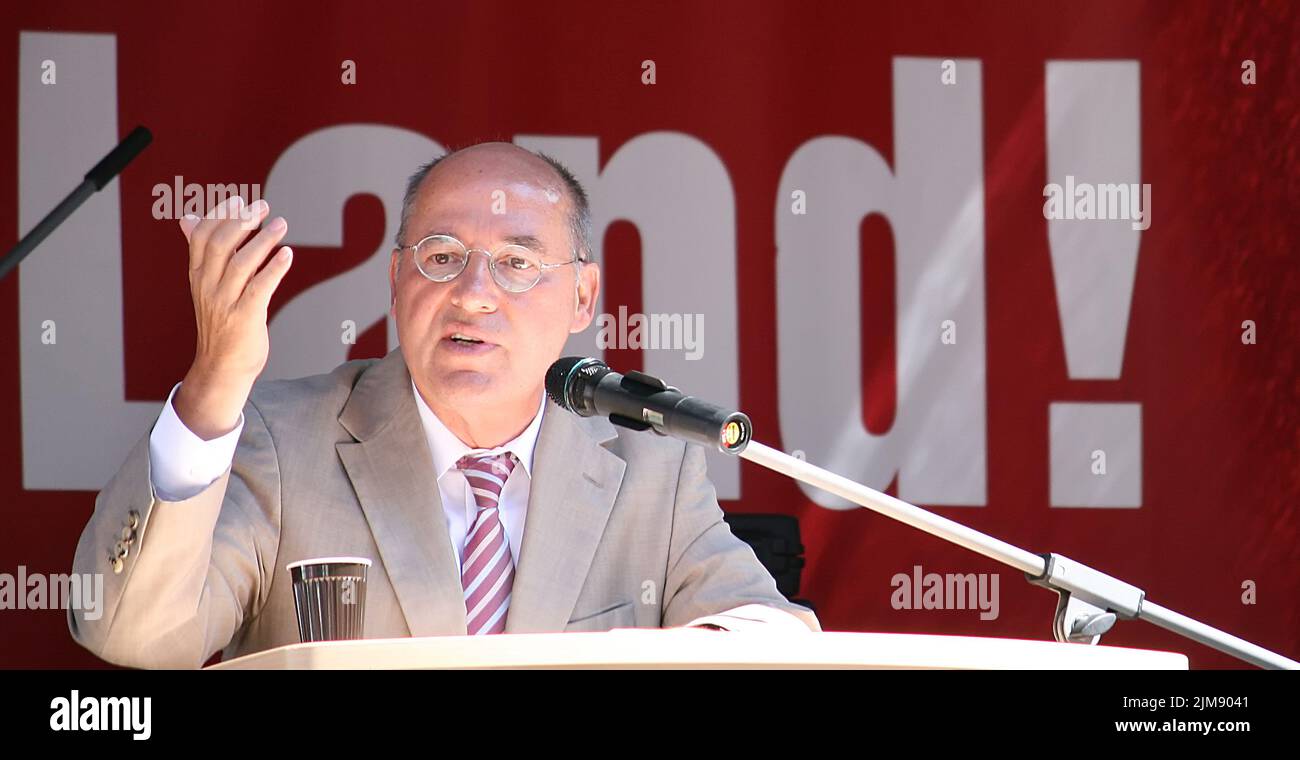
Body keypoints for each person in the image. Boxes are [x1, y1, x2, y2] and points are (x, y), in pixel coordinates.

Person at [68, 141, 820, 669]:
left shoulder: (651, 470)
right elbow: (132, 635)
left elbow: (773, 634)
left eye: (518, 263)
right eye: (442, 257)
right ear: (397, 281)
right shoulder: (282, 440)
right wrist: (211, 389)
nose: (474, 292)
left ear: (583, 297)